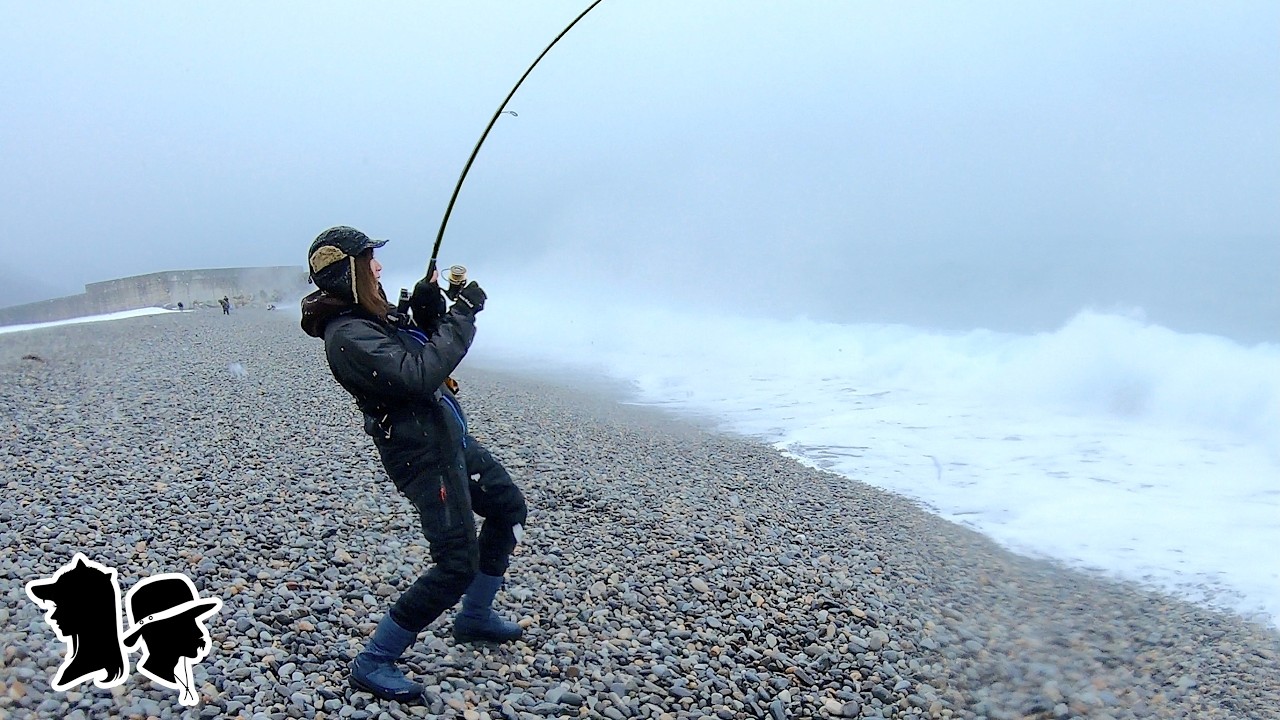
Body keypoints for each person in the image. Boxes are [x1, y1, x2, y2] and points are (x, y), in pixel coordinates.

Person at [300, 226, 528, 702]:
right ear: (348, 274)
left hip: (450, 441)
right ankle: (375, 659)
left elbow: (420, 346)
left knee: (507, 507)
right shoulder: (346, 336)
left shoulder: (369, 317)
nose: (378, 267)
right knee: (456, 563)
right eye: (369, 261)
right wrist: (463, 315)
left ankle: (475, 618)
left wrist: (430, 310)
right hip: (423, 458)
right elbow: (419, 375)